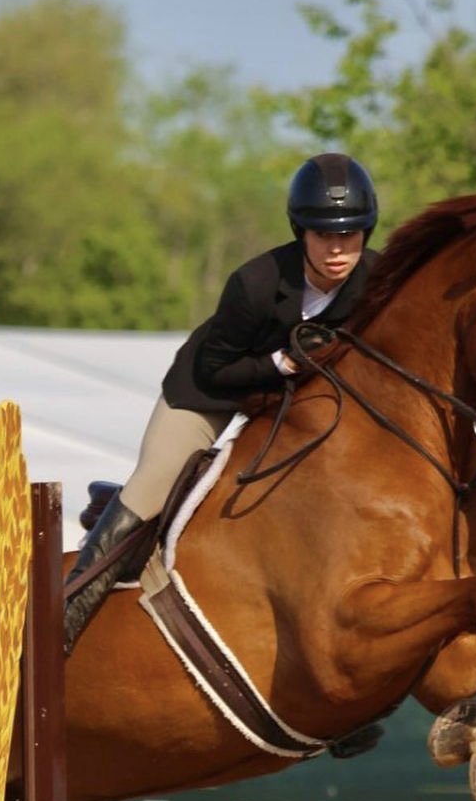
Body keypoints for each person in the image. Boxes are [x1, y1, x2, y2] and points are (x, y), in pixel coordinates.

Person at [63, 152, 379, 652]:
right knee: (153, 484)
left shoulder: (378, 285)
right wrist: (281, 364)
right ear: (301, 232)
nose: (337, 249)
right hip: (213, 389)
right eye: (324, 235)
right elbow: (215, 368)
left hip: (300, 404)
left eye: (350, 233)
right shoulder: (255, 282)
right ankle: (66, 616)